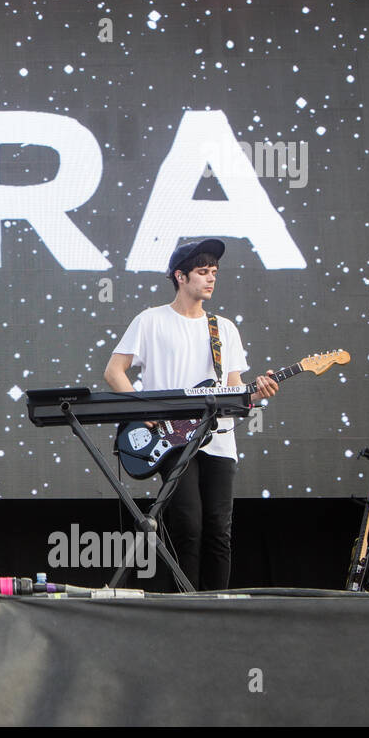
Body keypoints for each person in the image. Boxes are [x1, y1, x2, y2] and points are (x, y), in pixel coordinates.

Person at [103, 239, 277, 591]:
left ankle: (217, 608)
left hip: (220, 441)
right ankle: (186, 607)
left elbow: (235, 389)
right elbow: (114, 371)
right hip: (173, 440)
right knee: (188, 527)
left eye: (214, 272)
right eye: (202, 272)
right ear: (180, 276)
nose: (211, 279)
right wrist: (144, 412)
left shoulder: (223, 328)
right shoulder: (151, 320)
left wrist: (256, 393)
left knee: (218, 531)